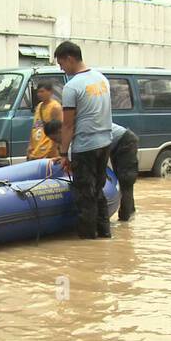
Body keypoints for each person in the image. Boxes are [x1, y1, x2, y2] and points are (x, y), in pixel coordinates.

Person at [54, 41, 113, 239]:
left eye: (61, 63)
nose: (61, 68)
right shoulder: (101, 79)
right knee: (98, 191)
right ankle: (105, 234)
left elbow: (68, 125)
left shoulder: (72, 87)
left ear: (70, 59)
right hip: (105, 143)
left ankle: (88, 241)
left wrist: (63, 153)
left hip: (85, 147)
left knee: (85, 197)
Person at [109, 123, 139, 221]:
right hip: (119, 142)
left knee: (125, 181)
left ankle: (126, 217)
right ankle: (129, 213)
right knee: (123, 181)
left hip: (125, 141)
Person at [26, 81, 63, 160]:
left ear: (50, 92)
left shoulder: (55, 107)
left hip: (48, 152)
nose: (39, 94)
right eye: (38, 92)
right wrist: (30, 146)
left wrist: (53, 151)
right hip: (36, 150)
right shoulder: (39, 106)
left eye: (42, 91)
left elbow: (58, 131)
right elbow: (34, 128)